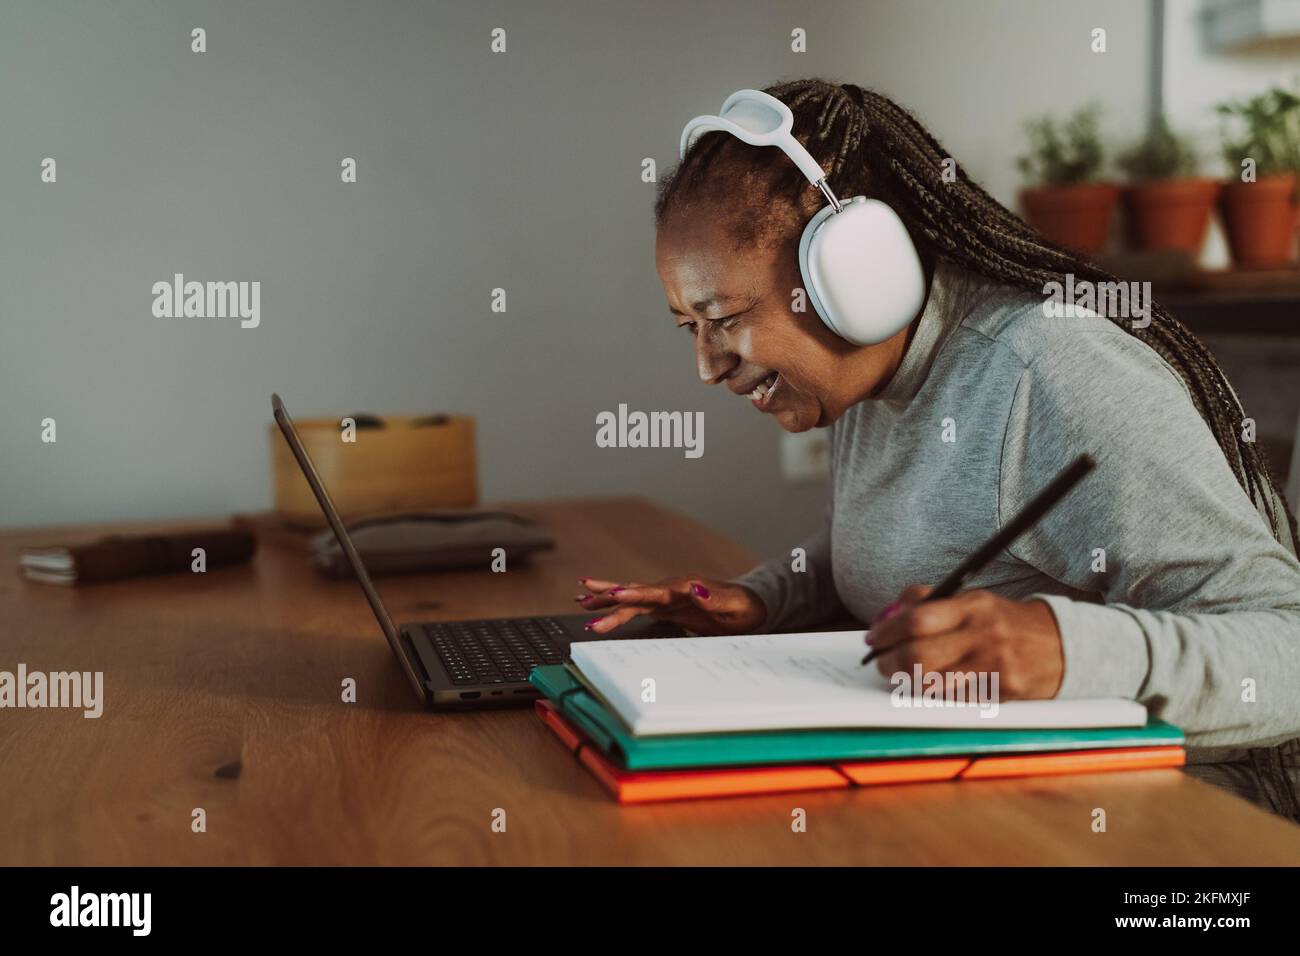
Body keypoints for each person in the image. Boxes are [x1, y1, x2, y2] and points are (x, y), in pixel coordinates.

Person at [577, 79, 1300, 820]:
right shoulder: (871, 374)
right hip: (978, 799)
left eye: (723, 317)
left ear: (852, 273)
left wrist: (1065, 653)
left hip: (1173, 820)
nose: (707, 364)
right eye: (686, 327)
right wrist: (766, 599)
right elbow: (903, 533)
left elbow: (1286, 648)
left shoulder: (1049, 371)